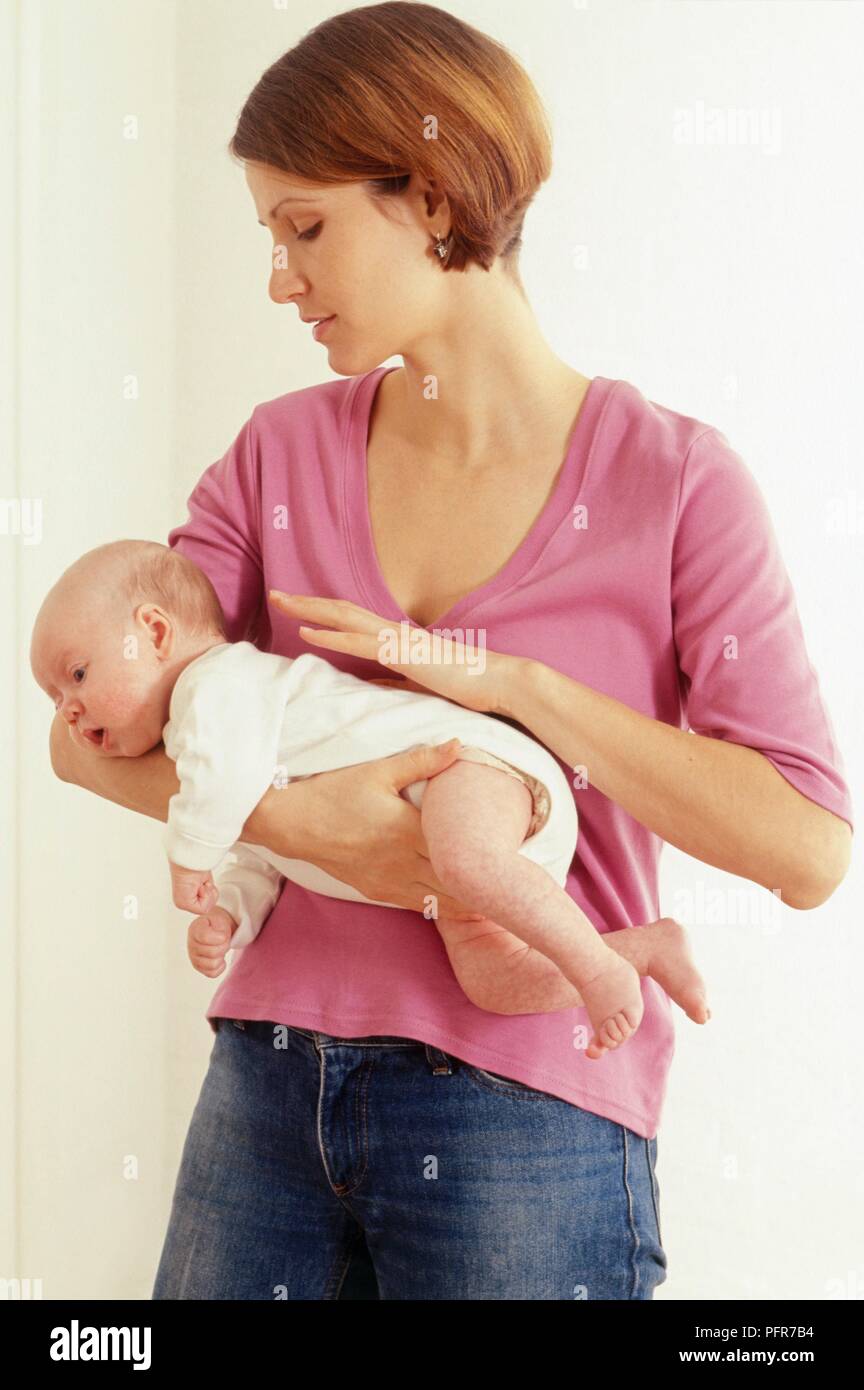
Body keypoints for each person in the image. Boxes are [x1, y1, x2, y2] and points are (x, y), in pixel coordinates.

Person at [48, 2, 852, 1300]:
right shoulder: (277, 455)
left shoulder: (675, 484)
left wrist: (523, 689)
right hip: (264, 1082)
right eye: (267, 236)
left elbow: (810, 847)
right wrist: (314, 828)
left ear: (430, 195)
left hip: (529, 1108)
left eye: (303, 227)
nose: (277, 278)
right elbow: (84, 730)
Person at [32, 539, 713, 1056]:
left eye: (79, 674)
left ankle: (597, 970)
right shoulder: (208, 743)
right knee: (491, 978)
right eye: (56, 696)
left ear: (153, 633)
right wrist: (235, 908)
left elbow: (222, 793)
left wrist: (189, 858)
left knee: (467, 857)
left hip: (467, 765)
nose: (68, 708)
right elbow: (267, 837)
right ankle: (642, 951)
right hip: (459, 843)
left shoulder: (216, 687)